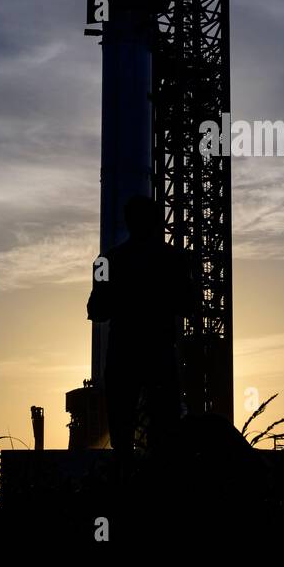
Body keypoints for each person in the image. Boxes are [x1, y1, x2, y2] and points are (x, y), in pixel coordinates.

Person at [87, 196, 194, 474]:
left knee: (122, 430)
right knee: (165, 429)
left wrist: (123, 299)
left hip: (123, 354)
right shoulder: (176, 259)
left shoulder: (106, 261)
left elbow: (96, 310)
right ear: (158, 222)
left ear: (128, 221)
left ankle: (124, 482)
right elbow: (188, 304)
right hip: (159, 353)